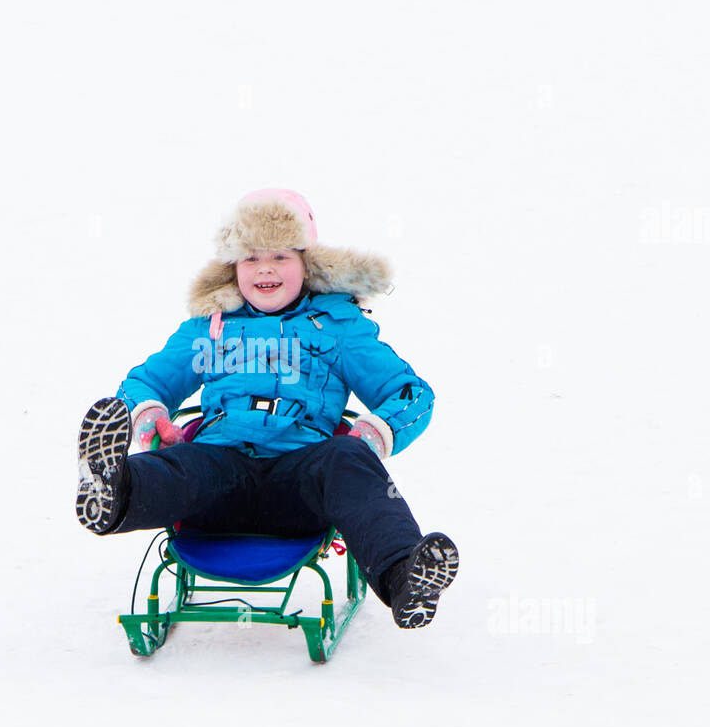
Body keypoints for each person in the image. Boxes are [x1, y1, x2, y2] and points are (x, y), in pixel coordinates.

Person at [75, 189, 458, 628]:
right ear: (233, 267)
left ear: (308, 263)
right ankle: (111, 490)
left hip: (300, 485)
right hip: (217, 479)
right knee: (182, 461)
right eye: (251, 258)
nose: (265, 269)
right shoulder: (209, 327)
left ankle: (404, 577)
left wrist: (373, 434)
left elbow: (411, 394)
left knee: (347, 460)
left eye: (280, 255)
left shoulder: (337, 327)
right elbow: (145, 382)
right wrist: (148, 418)